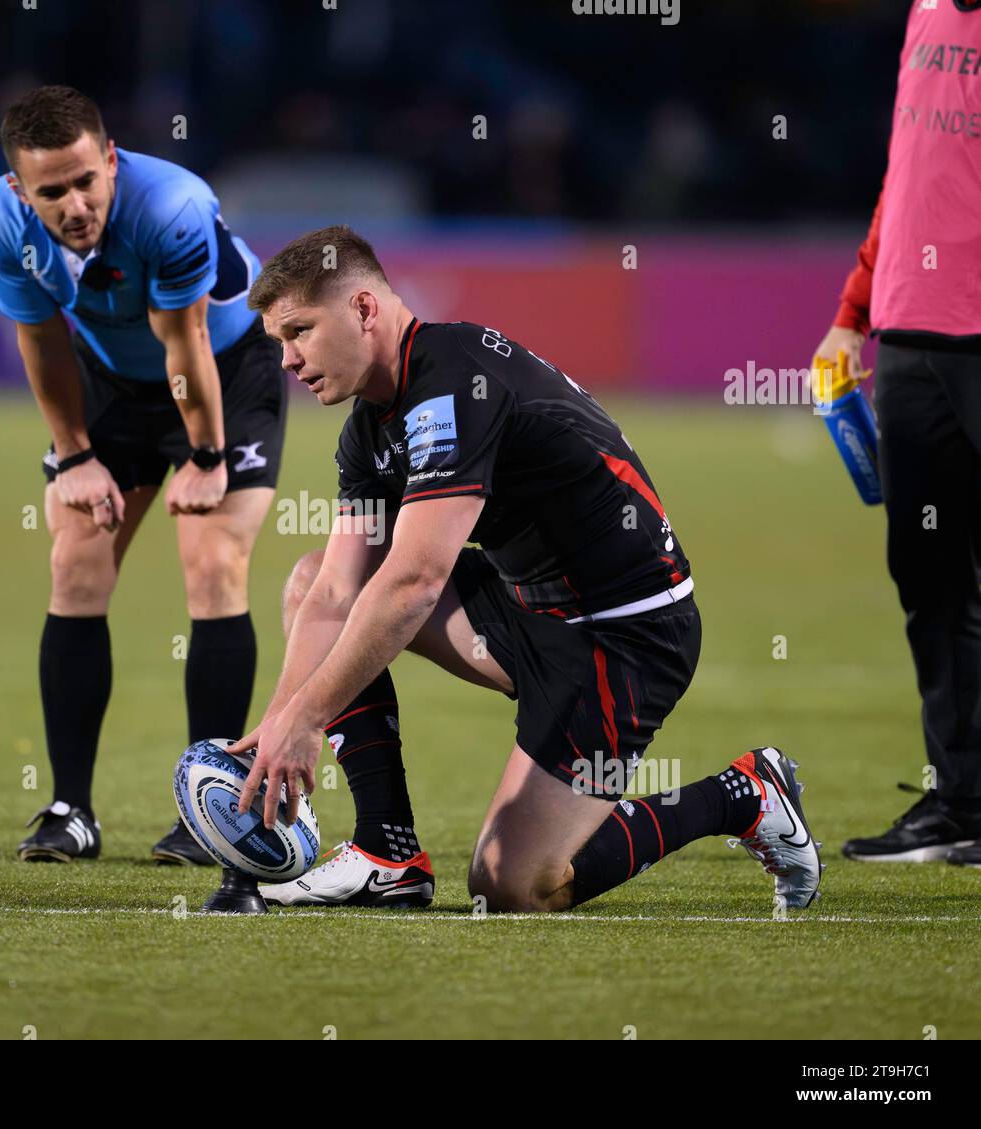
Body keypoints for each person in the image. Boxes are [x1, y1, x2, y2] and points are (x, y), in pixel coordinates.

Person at [230, 226, 822, 912]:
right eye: (278, 341)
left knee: (515, 886)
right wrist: (278, 725)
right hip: (529, 613)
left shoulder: (452, 383)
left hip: (624, 636)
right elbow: (334, 591)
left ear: (364, 308)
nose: (288, 359)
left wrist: (309, 713)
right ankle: (385, 851)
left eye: (298, 331)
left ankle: (743, 794)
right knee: (310, 578)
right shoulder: (368, 428)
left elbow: (417, 581)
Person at [0, 86, 287, 864]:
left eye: (86, 180)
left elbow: (184, 342)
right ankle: (70, 809)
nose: (75, 204)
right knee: (74, 563)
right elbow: (42, 340)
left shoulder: (172, 207)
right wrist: (76, 455)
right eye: (53, 191)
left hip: (225, 370)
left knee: (214, 564)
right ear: (21, 191)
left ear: (110, 159)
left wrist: (206, 457)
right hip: (111, 382)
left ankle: (209, 812)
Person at [814, 2, 981, 867]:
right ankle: (964, 804)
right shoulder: (925, 12)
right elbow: (907, 173)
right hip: (913, 337)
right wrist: (853, 312)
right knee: (932, 579)